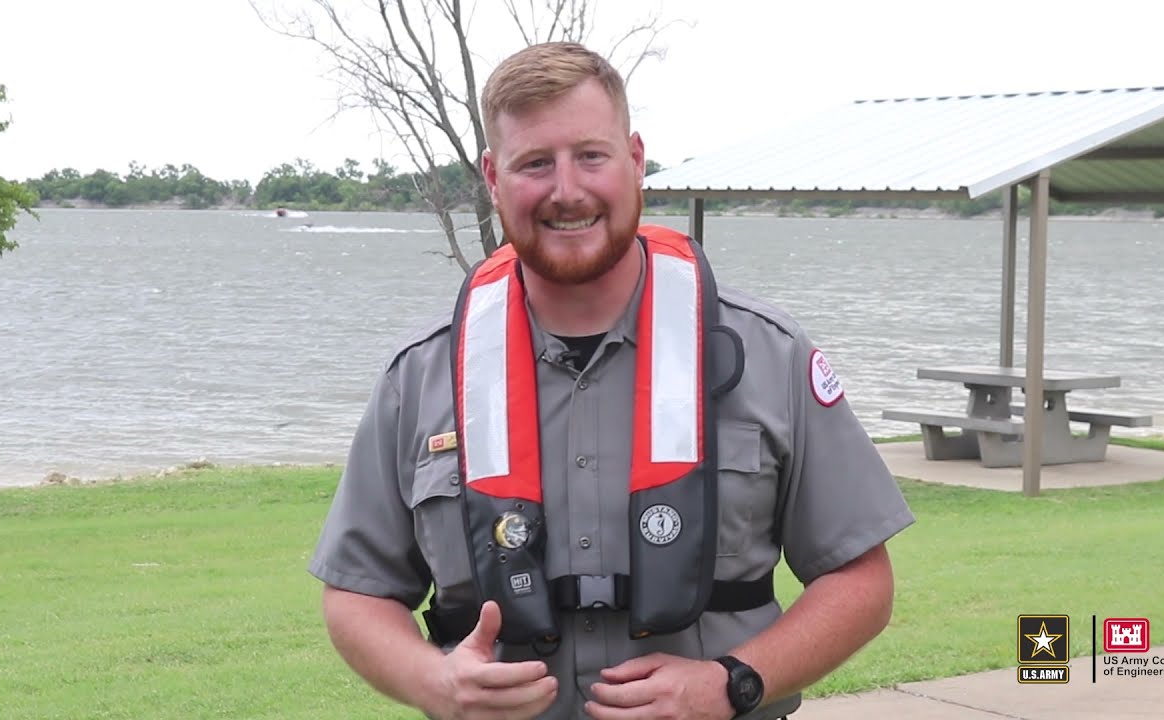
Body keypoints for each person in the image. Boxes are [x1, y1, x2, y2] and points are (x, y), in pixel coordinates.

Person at [309, 41, 914, 720]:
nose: (567, 191)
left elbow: (861, 579)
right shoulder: (420, 376)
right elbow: (357, 592)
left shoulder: (768, 355)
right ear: (493, 177)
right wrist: (432, 680)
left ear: (635, 159)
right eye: (535, 163)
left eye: (591, 156)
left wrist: (733, 682)